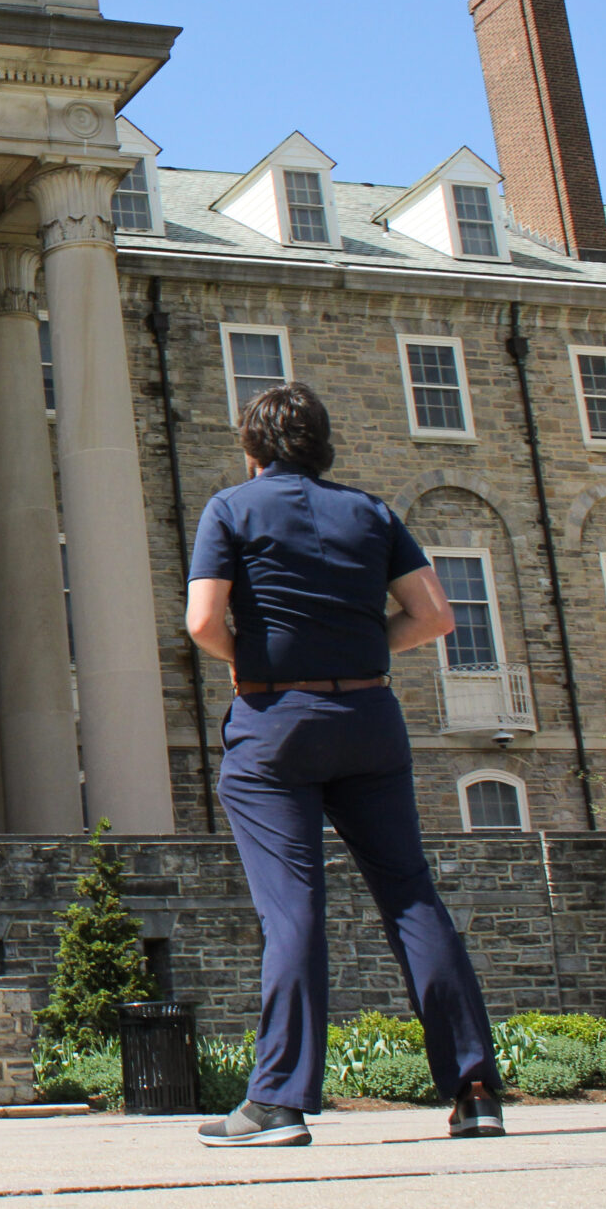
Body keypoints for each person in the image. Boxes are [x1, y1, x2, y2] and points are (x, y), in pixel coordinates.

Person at [185, 381, 506, 1147]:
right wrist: (359, 651)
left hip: (275, 725)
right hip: (369, 718)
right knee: (410, 895)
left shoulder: (231, 508)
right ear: (323, 445)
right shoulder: (371, 511)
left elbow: (202, 621)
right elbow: (434, 616)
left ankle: (279, 1102)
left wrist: (250, 661)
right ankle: (475, 1088)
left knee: (293, 909)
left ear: (252, 448)